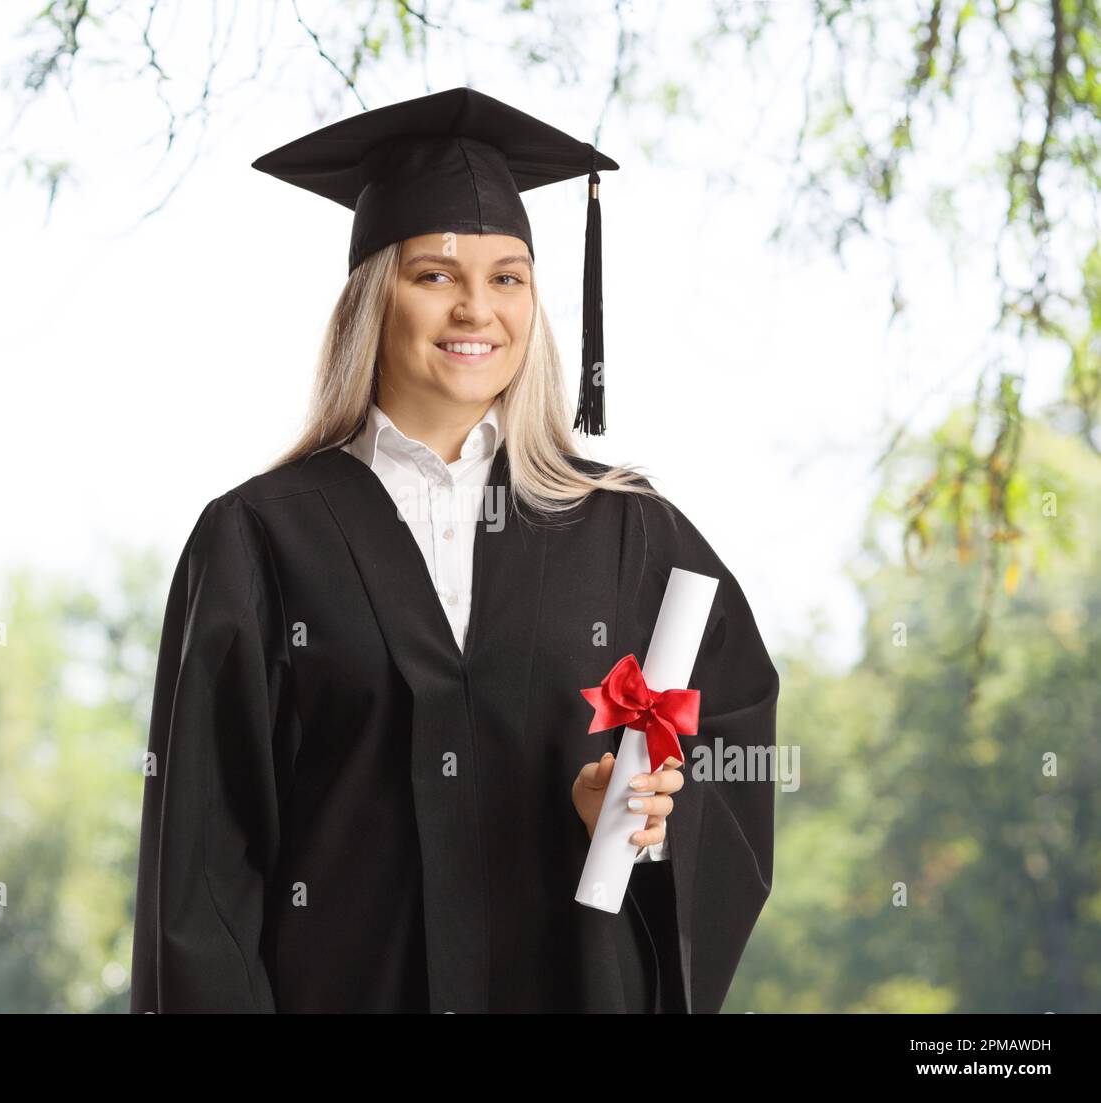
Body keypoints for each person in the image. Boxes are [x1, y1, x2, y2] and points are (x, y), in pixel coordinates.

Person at [129, 87, 779, 1013]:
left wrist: (646, 826)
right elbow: (204, 864)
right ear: (371, 296)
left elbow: (729, 741)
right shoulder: (260, 537)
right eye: (435, 274)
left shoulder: (630, 529)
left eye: (508, 277)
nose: (478, 307)